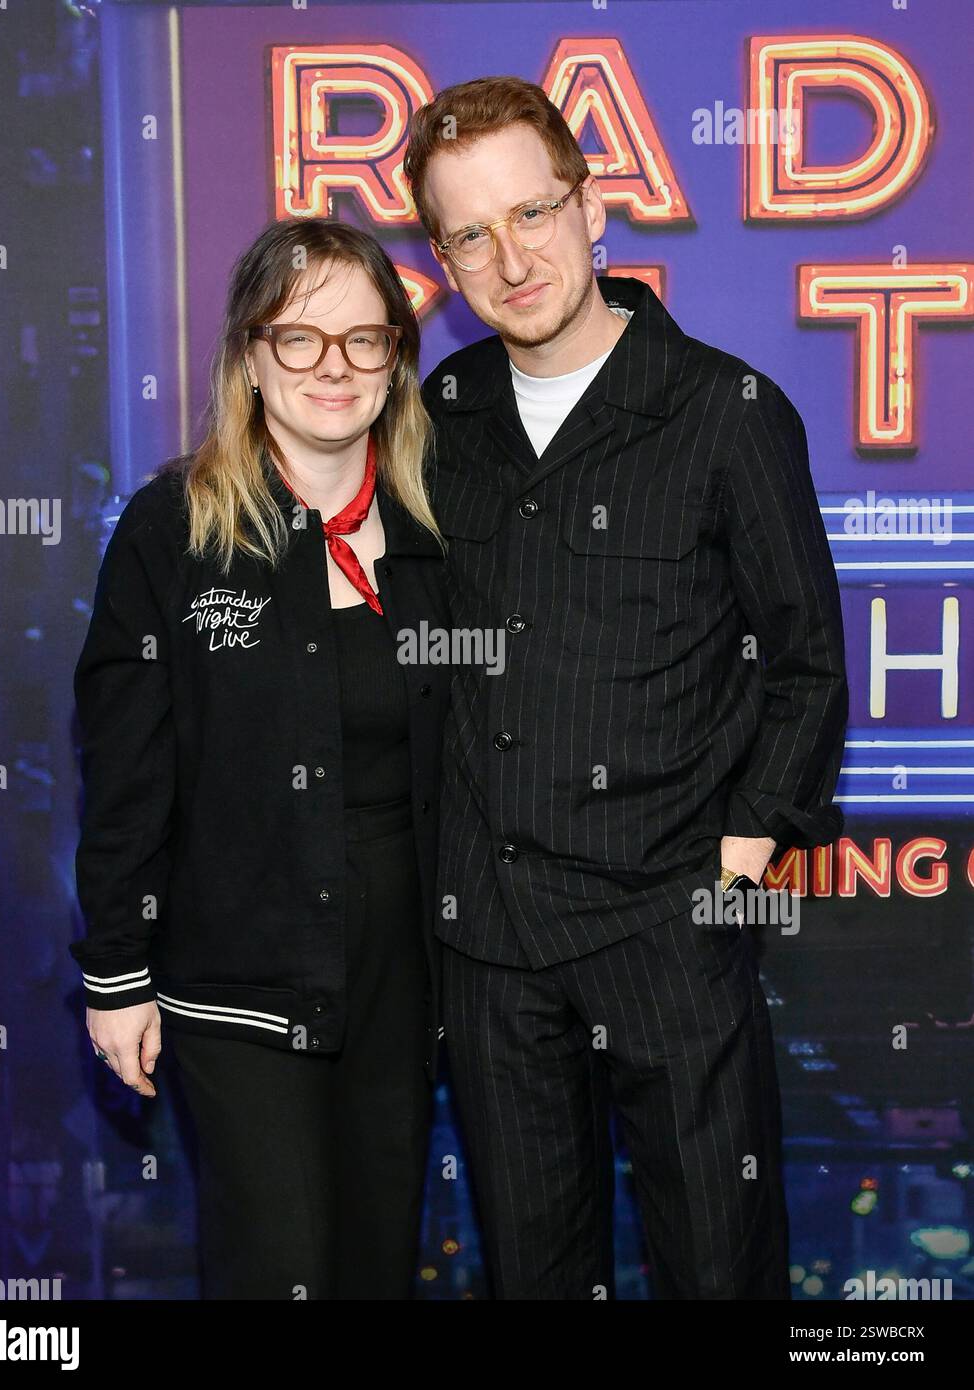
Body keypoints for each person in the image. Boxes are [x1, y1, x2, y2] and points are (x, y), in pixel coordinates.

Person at [404, 76, 849, 1299]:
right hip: (489, 950)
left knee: (717, 1266)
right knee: (532, 1276)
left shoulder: (724, 411)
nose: (510, 255)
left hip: (669, 930)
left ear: (591, 207)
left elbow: (806, 660)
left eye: (532, 211)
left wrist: (742, 860)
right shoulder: (436, 417)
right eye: (468, 234)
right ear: (439, 260)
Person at [69, 218, 451, 1299]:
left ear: (396, 362)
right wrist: (115, 971)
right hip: (234, 972)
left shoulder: (441, 531)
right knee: (277, 1268)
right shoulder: (171, 529)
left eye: (364, 339)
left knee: (376, 1266)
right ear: (247, 356)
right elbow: (126, 769)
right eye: (298, 338)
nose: (333, 366)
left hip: (403, 980)